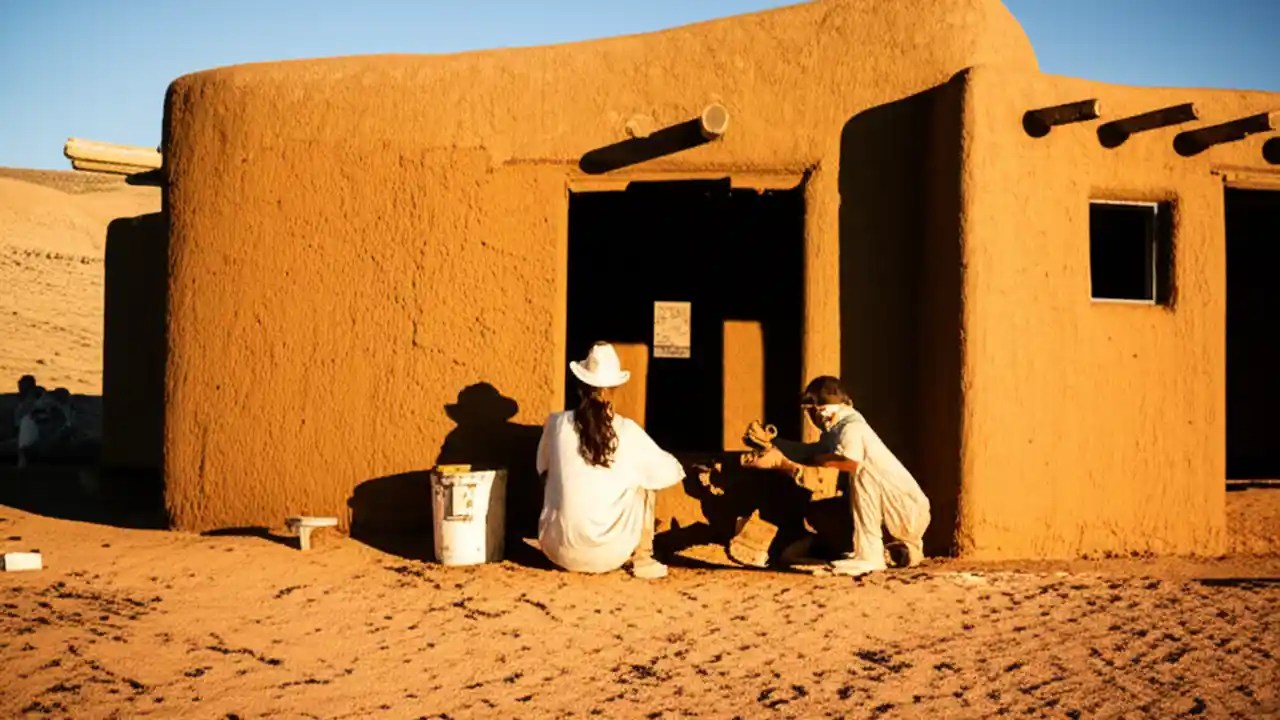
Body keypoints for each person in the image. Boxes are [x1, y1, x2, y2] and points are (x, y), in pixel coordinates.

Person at [742, 376, 930, 577]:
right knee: (821, 513)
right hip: (898, 512)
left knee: (863, 472)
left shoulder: (851, 428)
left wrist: (787, 463)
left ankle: (870, 556)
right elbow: (810, 452)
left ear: (818, 410)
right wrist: (775, 444)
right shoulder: (838, 428)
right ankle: (896, 551)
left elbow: (849, 461)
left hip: (905, 510)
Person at [537, 342, 685, 579]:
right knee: (646, 482)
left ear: (580, 385)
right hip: (611, 554)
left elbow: (542, 469)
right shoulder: (627, 430)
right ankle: (642, 557)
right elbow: (669, 471)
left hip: (558, 552)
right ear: (614, 388)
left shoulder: (556, 424)